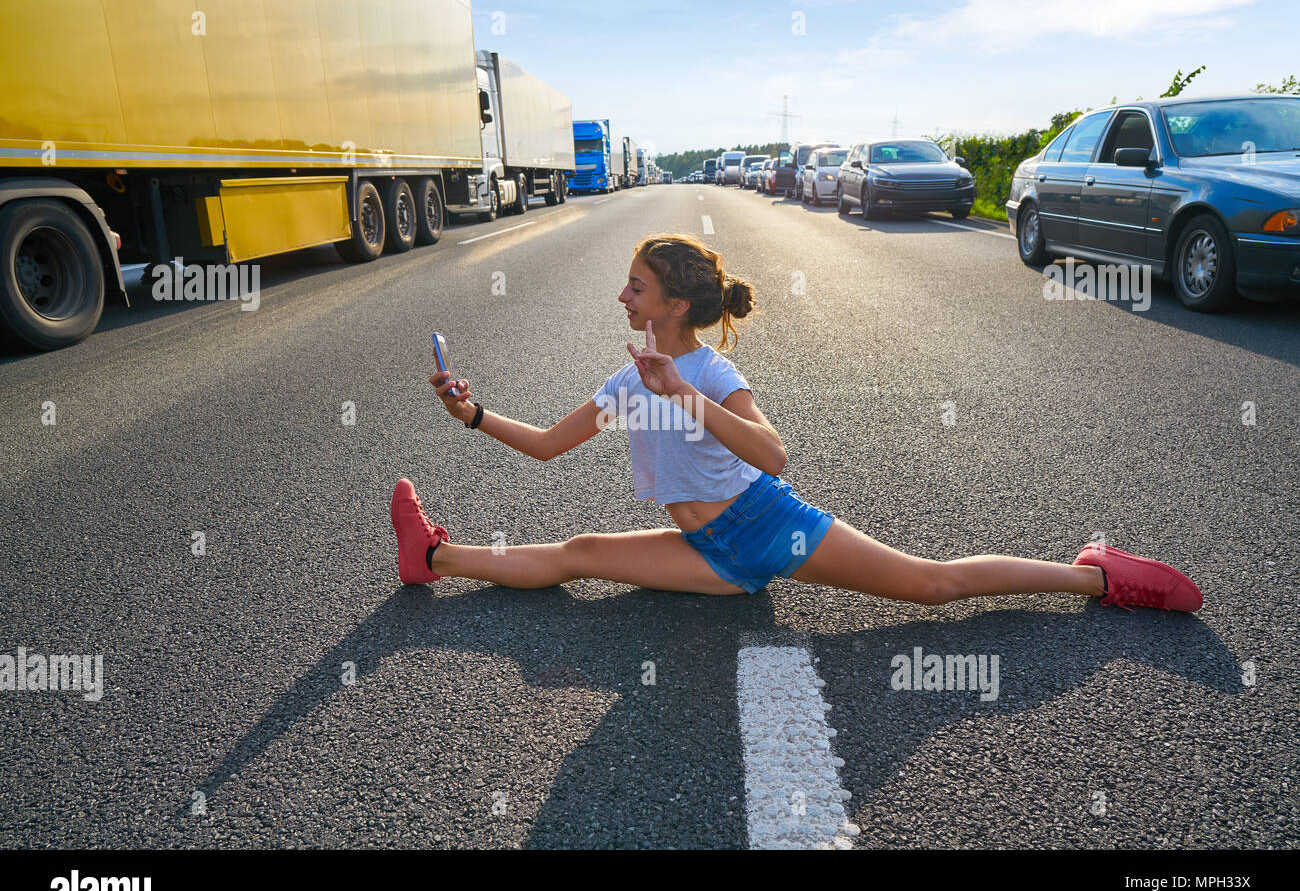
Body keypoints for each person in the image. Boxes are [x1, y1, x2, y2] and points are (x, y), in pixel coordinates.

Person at [389, 233, 1202, 612]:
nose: (622, 297)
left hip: (764, 524)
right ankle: (431, 555)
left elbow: (773, 455)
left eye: (635, 286)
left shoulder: (707, 371)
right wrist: (472, 412)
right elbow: (543, 447)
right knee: (576, 557)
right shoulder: (625, 380)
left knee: (931, 585)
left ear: (675, 305)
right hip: (710, 553)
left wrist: (682, 393)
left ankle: (1097, 574)